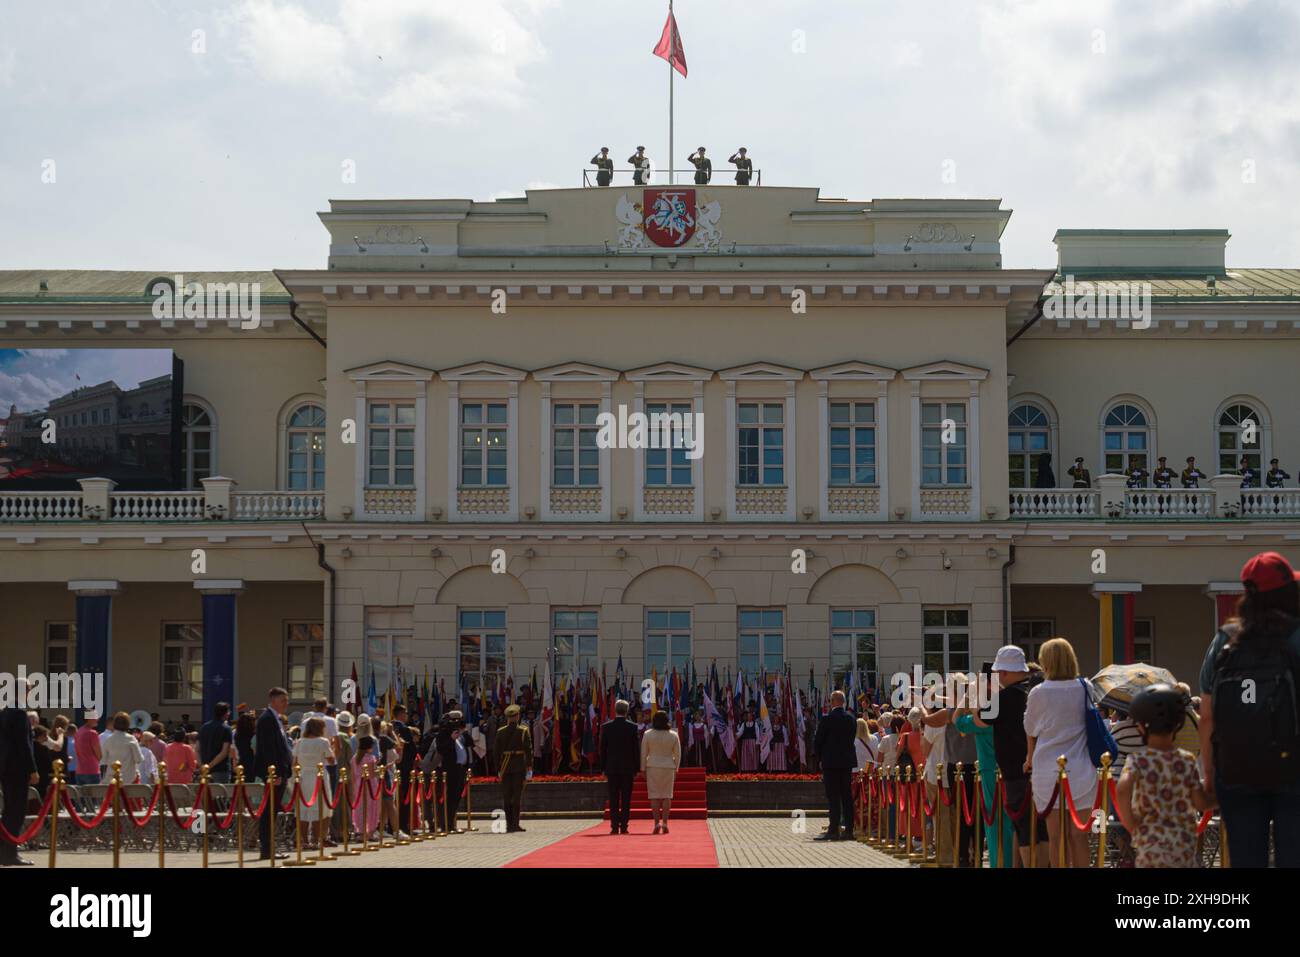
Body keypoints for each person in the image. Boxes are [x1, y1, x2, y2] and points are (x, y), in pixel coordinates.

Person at [1199, 551, 1300, 867]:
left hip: (1237, 770)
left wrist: (1210, 776)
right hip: (1294, 770)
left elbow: (1207, 716)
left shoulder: (1225, 641)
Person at [1114, 684, 1211, 868]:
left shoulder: (1138, 761)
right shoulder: (1187, 761)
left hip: (1151, 849)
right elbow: (1200, 802)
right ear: (1178, 724)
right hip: (1183, 848)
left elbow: (1122, 790)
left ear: (1141, 726)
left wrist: (1133, 826)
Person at [1024, 637, 1097, 867]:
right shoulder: (1086, 687)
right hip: (1082, 768)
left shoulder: (1038, 692)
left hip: (1048, 769)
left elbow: (1030, 728)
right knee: (1079, 837)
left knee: (1056, 839)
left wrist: (1028, 757)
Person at [972, 646, 1047, 866]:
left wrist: (980, 696)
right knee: (1041, 829)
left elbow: (979, 719)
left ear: (1004, 672)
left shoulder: (1004, 698)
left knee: (1024, 828)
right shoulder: (1038, 689)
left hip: (1016, 771)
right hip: (1043, 769)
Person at [253, 687, 293, 861]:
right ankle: (267, 849)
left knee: (273, 812)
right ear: (274, 700)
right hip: (273, 773)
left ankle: (269, 847)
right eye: (283, 700)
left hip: (280, 771)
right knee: (269, 812)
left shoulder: (275, 719)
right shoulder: (267, 719)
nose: (286, 704)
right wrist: (273, 773)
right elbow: (268, 749)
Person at [0, 683, 38, 866]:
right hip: (18, 770)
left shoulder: (4, 712)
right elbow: (24, 745)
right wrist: (32, 769)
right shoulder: (20, 714)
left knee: (8, 811)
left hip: (6, 769)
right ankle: (10, 853)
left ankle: (4, 852)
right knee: (16, 812)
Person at [813, 691, 857, 841]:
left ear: (832, 702)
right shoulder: (851, 719)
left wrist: (819, 758)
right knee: (846, 797)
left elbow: (818, 741)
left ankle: (833, 830)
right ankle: (849, 830)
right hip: (846, 763)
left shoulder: (827, 719)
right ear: (843, 702)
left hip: (831, 763)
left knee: (833, 797)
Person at [292, 717, 335, 849]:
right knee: (320, 808)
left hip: (304, 775)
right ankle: (316, 840)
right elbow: (332, 760)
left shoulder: (300, 742)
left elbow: (295, 762)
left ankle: (304, 840)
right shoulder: (322, 741)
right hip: (319, 775)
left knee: (303, 810)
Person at [600, 699, 639, 835]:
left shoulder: (606, 727)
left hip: (611, 768)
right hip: (628, 768)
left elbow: (603, 750)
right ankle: (624, 826)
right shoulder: (633, 727)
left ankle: (614, 826)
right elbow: (636, 750)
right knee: (626, 798)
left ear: (615, 710)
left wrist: (603, 768)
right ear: (627, 711)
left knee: (613, 798)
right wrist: (637, 768)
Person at [641, 710, 681, 834]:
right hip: (668, 767)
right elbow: (678, 754)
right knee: (667, 795)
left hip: (652, 767)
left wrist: (642, 768)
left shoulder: (647, 734)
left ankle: (656, 823)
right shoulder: (673, 735)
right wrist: (677, 767)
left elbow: (643, 753)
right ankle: (665, 823)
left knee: (654, 795)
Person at [494, 704, 532, 833]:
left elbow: (496, 752)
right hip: (519, 767)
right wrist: (529, 768)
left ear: (508, 718)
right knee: (516, 797)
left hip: (505, 767)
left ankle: (509, 825)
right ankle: (515, 824)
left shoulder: (500, 731)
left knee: (506, 796)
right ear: (518, 716)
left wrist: (498, 769)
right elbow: (528, 750)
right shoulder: (523, 731)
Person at [435, 711, 469, 834]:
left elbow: (470, 744)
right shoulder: (443, 734)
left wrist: (463, 732)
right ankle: (447, 825)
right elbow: (442, 749)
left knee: (456, 798)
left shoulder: (460, 734)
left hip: (460, 769)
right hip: (450, 769)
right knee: (450, 798)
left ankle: (452, 824)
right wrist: (451, 738)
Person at [350, 734, 381, 842]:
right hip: (370, 784)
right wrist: (382, 770)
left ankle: (361, 830)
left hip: (359, 784)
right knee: (371, 807)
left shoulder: (355, 758)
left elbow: (353, 775)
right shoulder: (370, 758)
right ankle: (370, 832)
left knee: (360, 807)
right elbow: (372, 774)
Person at [103, 711, 147, 785]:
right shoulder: (131, 739)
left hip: (112, 779)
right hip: (129, 780)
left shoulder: (108, 740)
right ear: (128, 724)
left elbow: (103, 760)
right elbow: (139, 759)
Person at [198, 702, 234, 783]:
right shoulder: (226, 729)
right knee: (221, 794)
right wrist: (210, 766)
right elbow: (224, 752)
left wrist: (202, 766)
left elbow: (197, 749)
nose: (229, 714)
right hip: (220, 769)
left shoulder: (204, 727)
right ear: (225, 713)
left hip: (204, 769)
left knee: (206, 794)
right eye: (228, 711)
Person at [73, 711, 102, 785]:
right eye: (95, 717)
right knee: (95, 795)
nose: (98, 719)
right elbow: (99, 755)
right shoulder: (92, 733)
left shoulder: (78, 732)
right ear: (89, 718)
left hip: (79, 770)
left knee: (81, 796)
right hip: (92, 770)